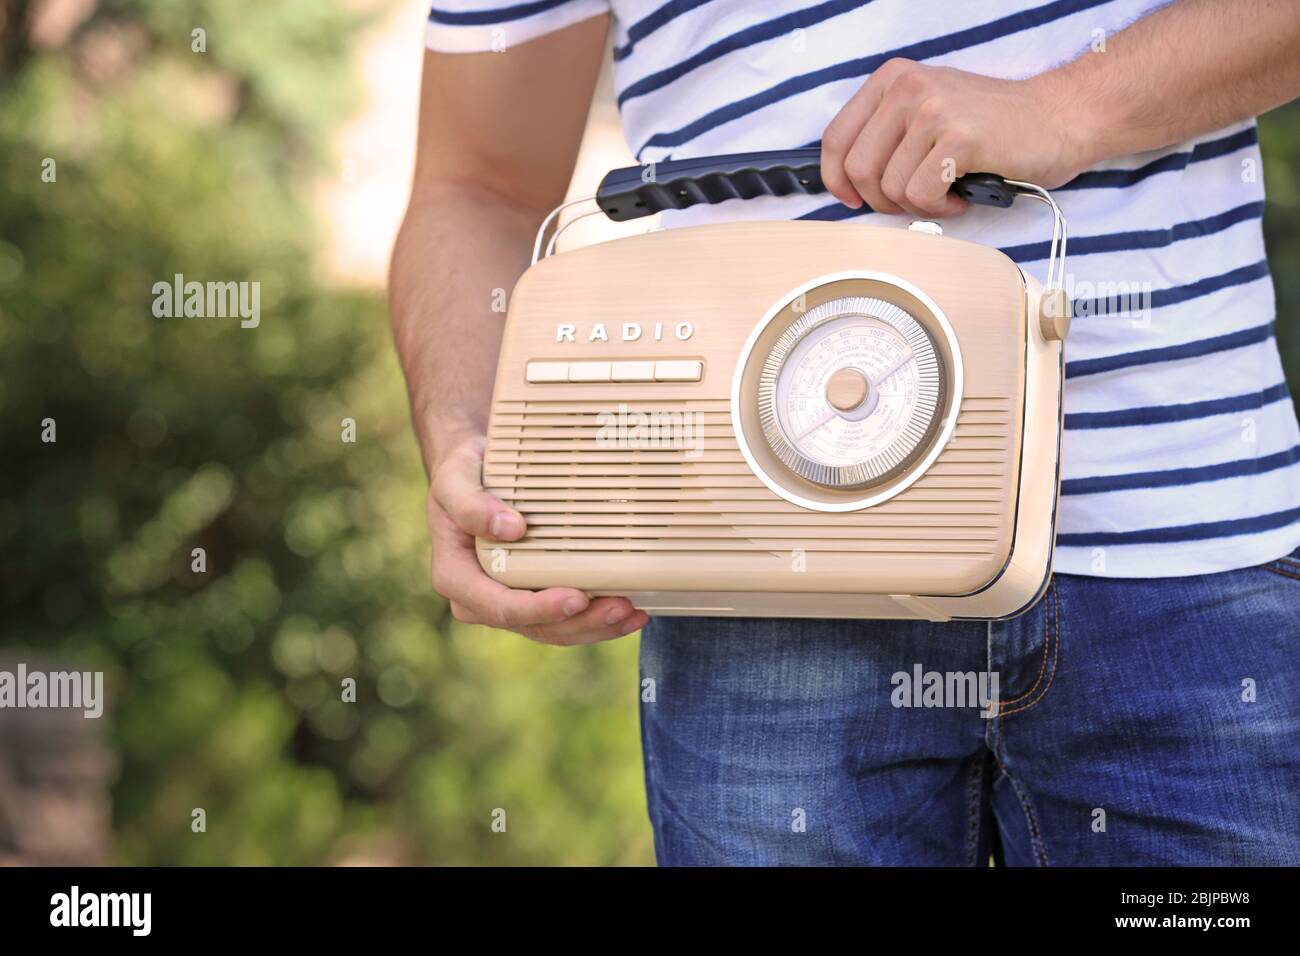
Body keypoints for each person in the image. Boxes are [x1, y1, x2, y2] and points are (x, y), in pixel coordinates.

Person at [390, 0, 1300, 865]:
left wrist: (1067, 108)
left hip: (1185, 557)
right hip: (757, 582)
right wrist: (465, 434)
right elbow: (478, 187)